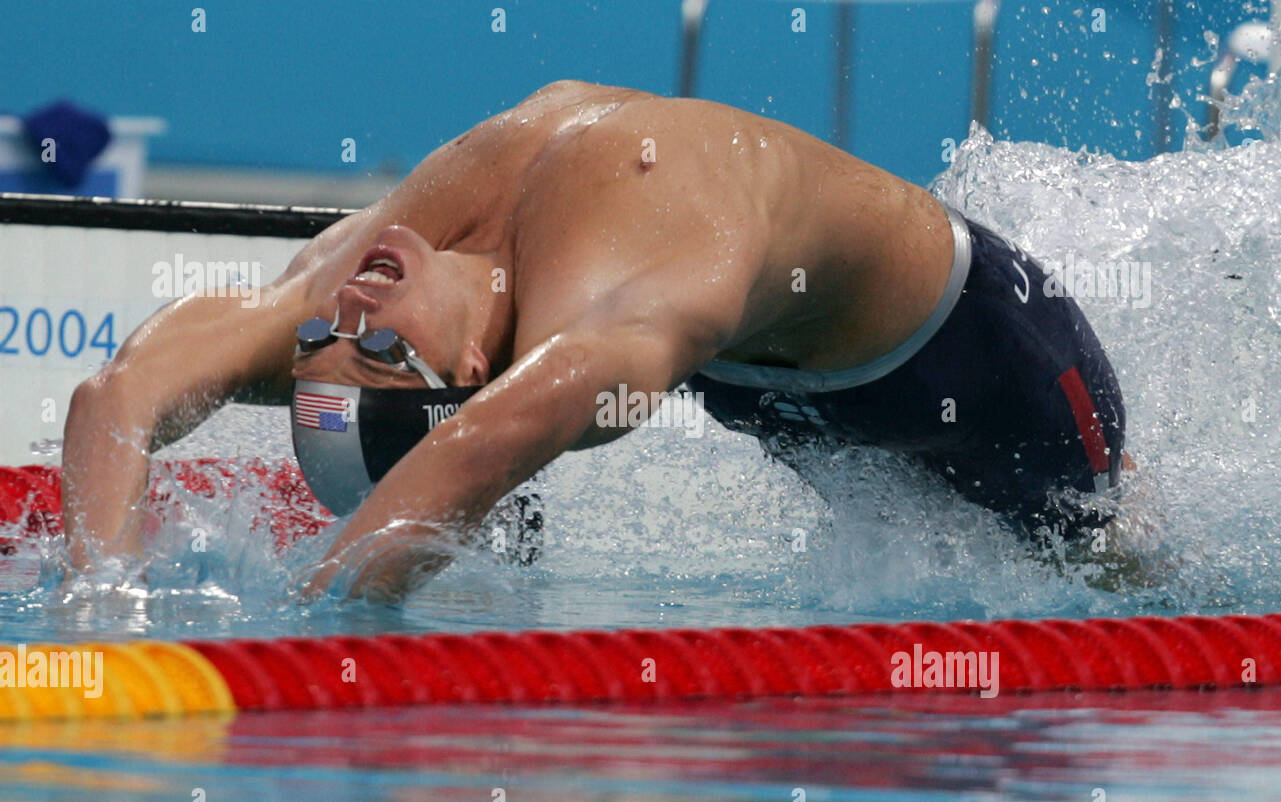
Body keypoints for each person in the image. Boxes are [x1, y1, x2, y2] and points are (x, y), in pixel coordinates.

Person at [61, 80, 1126, 600]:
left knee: (1109, 568)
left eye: (321, 335)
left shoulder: (375, 272)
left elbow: (124, 389)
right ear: (468, 374)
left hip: (983, 355)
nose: (346, 309)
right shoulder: (569, 336)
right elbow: (477, 451)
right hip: (769, 364)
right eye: (373, 351)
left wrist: (94, 593)